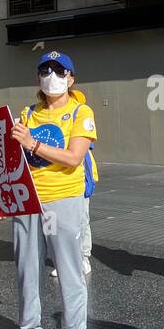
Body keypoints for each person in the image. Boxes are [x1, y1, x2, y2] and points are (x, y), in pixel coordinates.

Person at [0, 50, 95, 329]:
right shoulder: (28, 112)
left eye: (58, 70)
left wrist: (33, 145)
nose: (51, 75)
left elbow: (73, 157)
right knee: (26, 268)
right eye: (45, 70)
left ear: (71, 78)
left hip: (62, 199)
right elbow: (12, 159)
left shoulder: (81, 112)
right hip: (27, 200)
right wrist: (2, 196)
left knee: (68, 270)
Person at [48, 86, 95, 278]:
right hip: (52, 185)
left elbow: (77, 152)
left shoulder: (81, 116)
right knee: (52, 223)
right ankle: (61, 259)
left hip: (80, 177)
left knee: (81, 220)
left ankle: (83, 257)